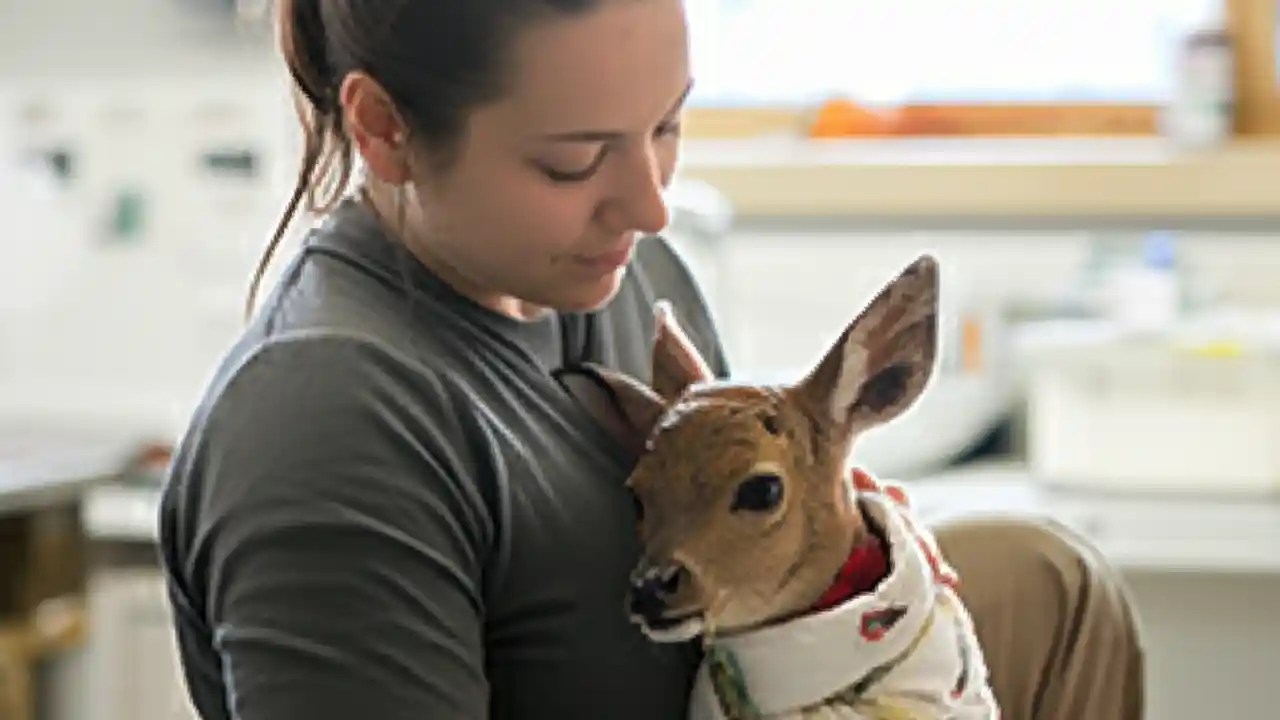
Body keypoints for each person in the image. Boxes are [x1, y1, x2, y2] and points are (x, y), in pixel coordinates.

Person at [157, 0, 1146, 718]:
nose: (648, 204)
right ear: (383, 128)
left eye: (666, 125)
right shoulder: (330, 421)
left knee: (1045, 579)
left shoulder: (619, 266)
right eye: (573, 160)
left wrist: (841, 554)